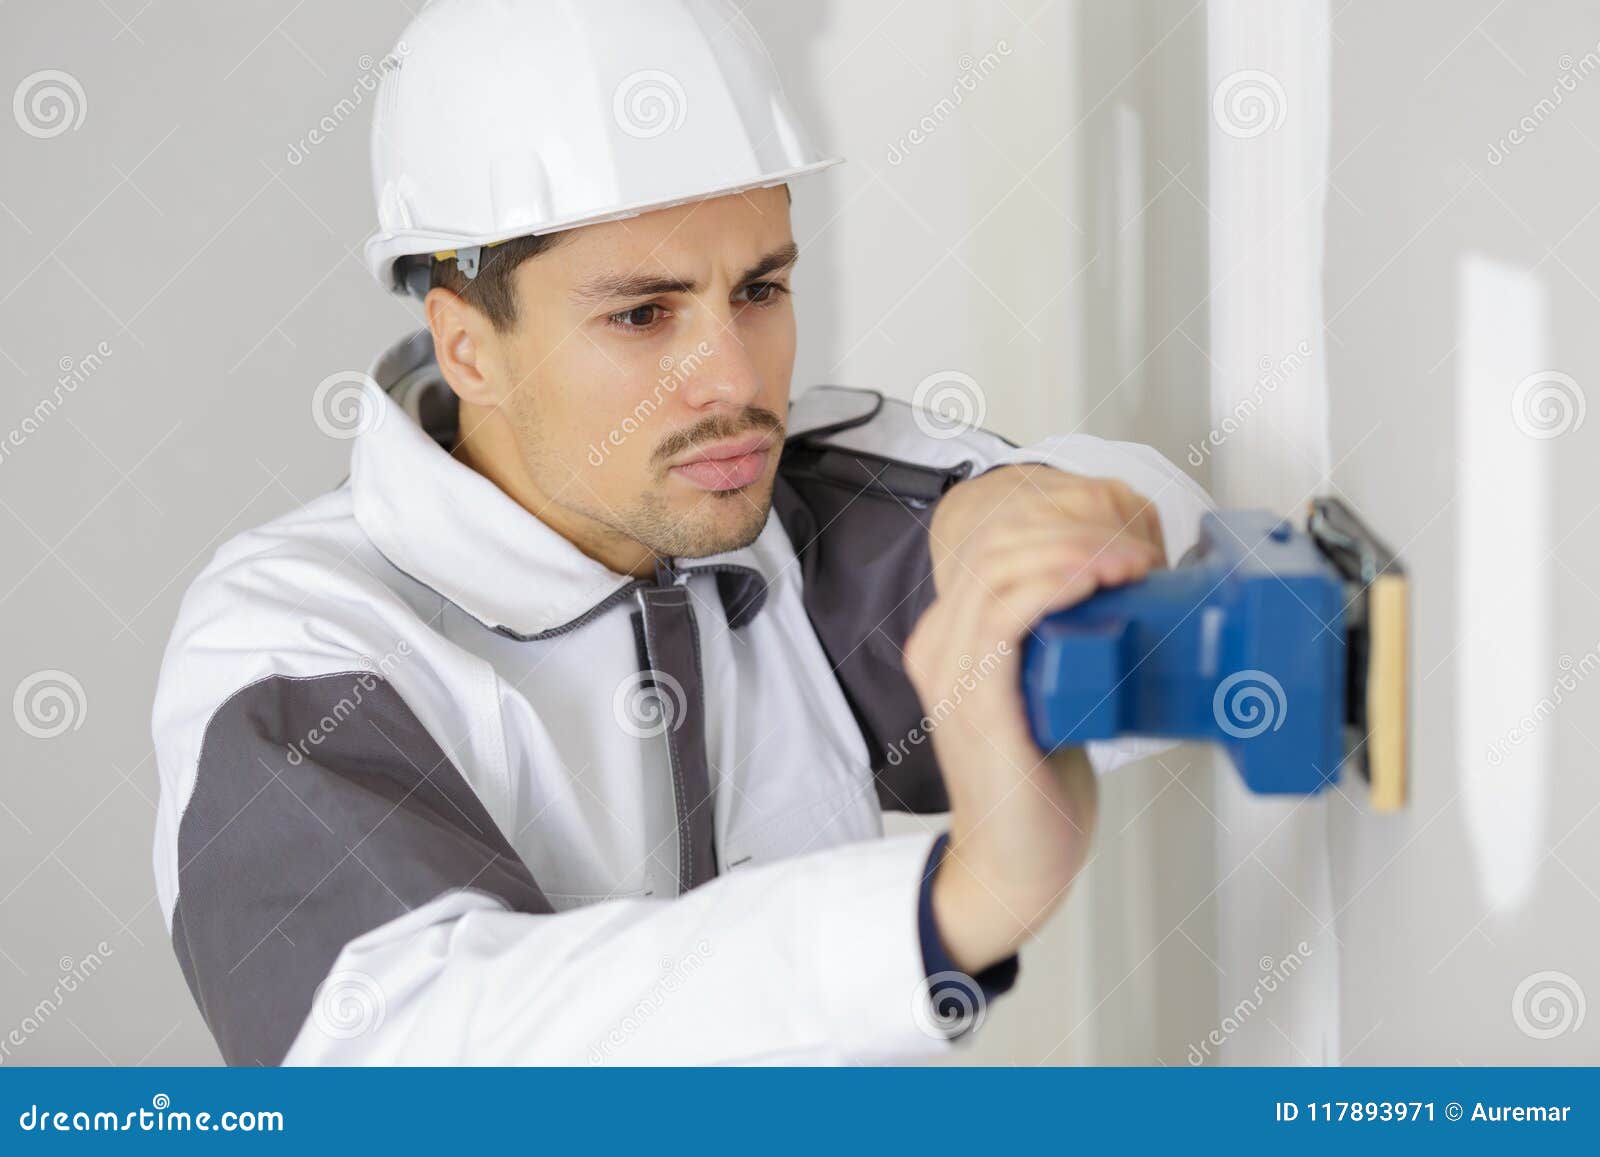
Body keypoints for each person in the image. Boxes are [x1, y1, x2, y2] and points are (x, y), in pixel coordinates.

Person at [151, 0, 1212, 1065]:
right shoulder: (295, 640)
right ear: (469, 349)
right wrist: (951, 906)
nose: (736, 380)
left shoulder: (786, 516)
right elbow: (393, 1059)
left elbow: (1181, 563)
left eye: (759, 289)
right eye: (642, 314)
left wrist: (1029, 508)